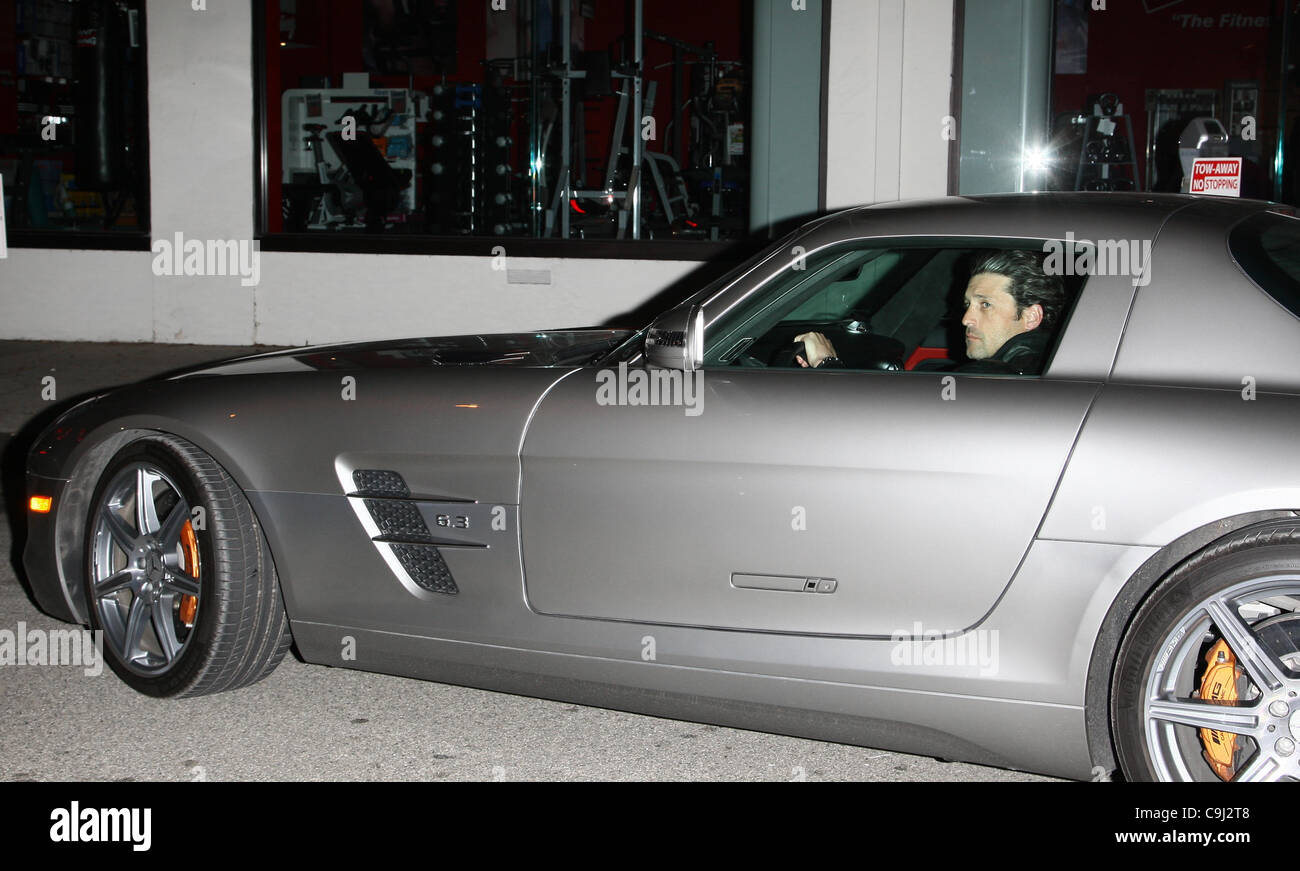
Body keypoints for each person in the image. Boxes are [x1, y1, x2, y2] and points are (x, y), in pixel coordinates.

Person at [794, 249, 1065, 376]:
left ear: (1031, 316)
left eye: (985, 305)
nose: (966, 319)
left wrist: (827, 366)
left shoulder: (988, 379)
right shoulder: (1044, 368)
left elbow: (883, 435)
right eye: (968, 305)